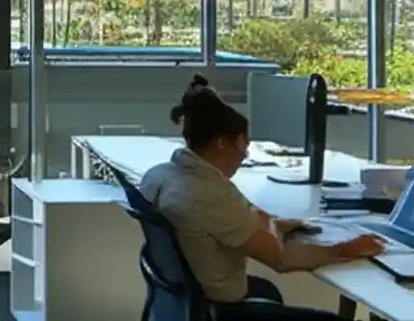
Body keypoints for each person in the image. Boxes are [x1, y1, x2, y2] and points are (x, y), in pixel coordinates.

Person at [138, 76, 385, 321]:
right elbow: (281, 259)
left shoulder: (159, 176)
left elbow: (241, 214)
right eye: (243, 146)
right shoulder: (208, 194)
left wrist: (271, 224)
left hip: (185, 301)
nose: (244, 155)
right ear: (222, 143)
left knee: (266, 291)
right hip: (217, 309)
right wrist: (345, 249)